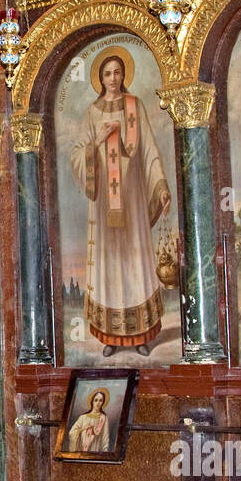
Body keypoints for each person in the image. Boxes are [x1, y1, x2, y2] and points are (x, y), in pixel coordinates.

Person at [69, 52, 172, 357]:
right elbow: (77, 155)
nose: (112, 78)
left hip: (134, 200)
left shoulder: (134, 106)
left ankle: (141, 335)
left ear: (123, 75)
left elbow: (150, 150)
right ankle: (112, 337)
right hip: (104, 205)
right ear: (100, 79)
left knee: (135, 263)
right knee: (109, 264)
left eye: (117, 73)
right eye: (107, 74)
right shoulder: (92, 113)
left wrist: (161, 186)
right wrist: (97, 141)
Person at [67, 387, 113, 452]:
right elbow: (71, 432)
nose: (98, 403)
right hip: (81, 451)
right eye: (96, 400)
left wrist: (104, 454)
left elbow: (105, 439)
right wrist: (83, 428)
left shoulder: (104, 418)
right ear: (92, 401)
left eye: (100, 400)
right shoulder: (83, 417)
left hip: (95, 451)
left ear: (103, 402)